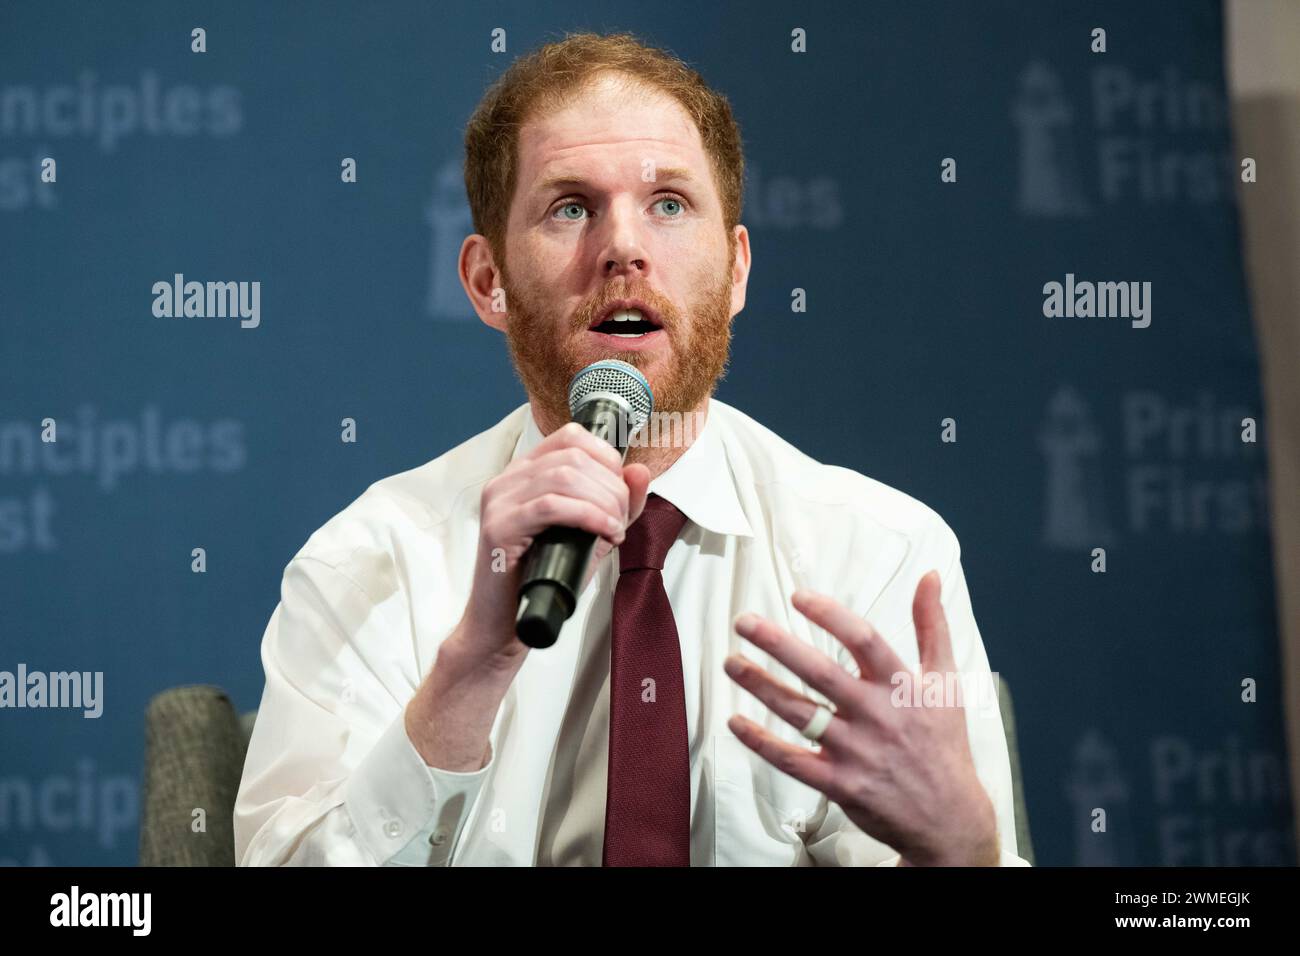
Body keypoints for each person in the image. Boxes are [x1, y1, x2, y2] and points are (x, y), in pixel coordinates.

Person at [234, 31, 1029, 867]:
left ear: (737, 271)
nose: (623, 247)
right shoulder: (366, 563)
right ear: (485, 281)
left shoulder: (878, 555)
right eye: (569, 206)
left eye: (670, 204)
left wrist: (964, 853)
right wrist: (469, 669)